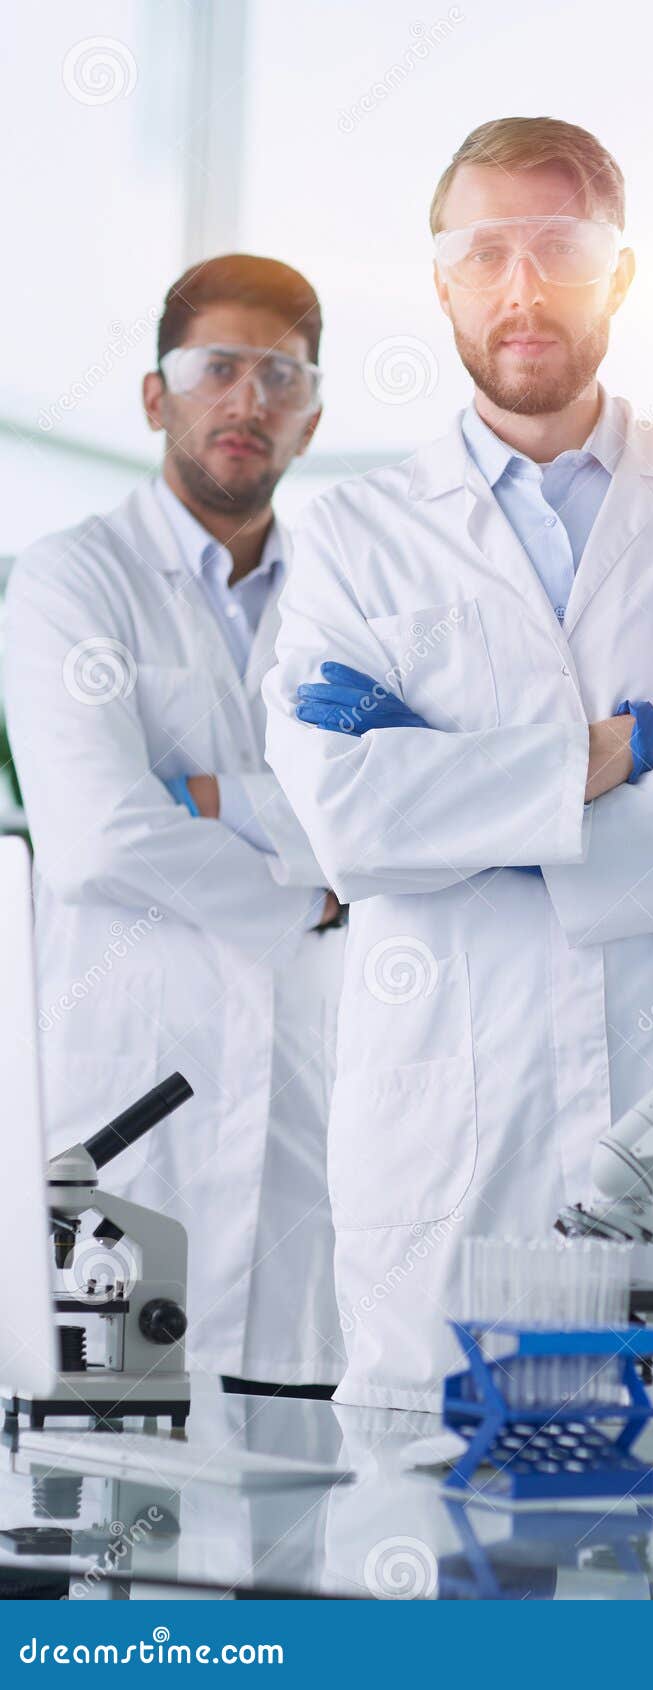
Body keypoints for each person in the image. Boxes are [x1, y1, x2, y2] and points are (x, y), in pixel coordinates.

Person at [265, 117, 653, 1410]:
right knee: (434, 1503)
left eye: (560, 249)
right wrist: (617, 751)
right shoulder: (353, 533)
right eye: (484, 254)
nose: (521, 288)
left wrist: (462, 804)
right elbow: (347, 823)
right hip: (455, 1151)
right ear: (441, 283)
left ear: (619, 273)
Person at [6, 255, 347, 1397]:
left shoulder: (350, 604)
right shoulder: (72, 581)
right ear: (157, 396)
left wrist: (202, 797)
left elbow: (396, 818)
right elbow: (94, 837)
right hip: (121, 1114)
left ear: (311, 418)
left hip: (301, 1117)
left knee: (295, 1462)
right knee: (99, 1463)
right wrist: (314, 886)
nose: (248, 399)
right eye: (217, 369)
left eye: (281, 377)